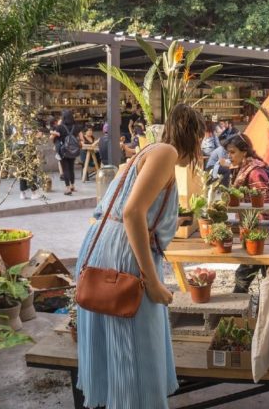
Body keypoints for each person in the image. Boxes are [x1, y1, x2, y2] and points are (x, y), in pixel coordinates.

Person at [76, 103, 205, 409]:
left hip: (108, 245)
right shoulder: (165, 153)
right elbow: (133, 212)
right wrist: (151, 281)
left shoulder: (150, 152)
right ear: (194, 136)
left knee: (122, 342)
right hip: (125, 253)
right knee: (134, 346)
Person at [225, 134, 269, 293]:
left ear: (244, 152)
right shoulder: (244, 169)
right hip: (253, 230)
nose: (229, 156)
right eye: (228, 153)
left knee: (245, 275)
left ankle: (236, 312)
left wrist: (260, 232)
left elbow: (265, 205)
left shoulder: (255, 172)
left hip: (259, 232)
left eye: (232, 152)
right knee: (268, 278)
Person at [50, 110, 83, 195]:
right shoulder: (75, 127)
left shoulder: (60, 127)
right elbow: (81, 138)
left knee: (65, 169)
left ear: (63, 117)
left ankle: (68, 188)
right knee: (71, 168)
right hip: (73, 150)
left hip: (63, 151)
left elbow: (51, 138)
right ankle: (72, 186)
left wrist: (53, 133)